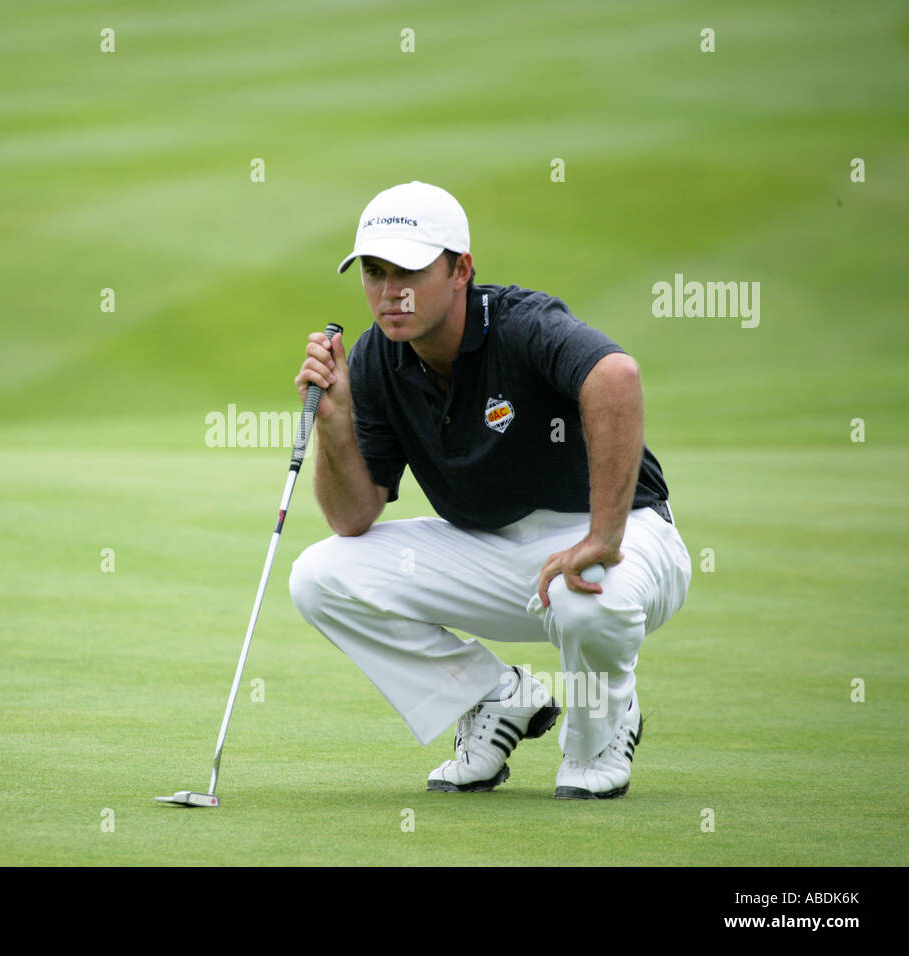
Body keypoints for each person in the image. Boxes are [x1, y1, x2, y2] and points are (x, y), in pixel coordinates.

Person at [288, 181, 691, 798]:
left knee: (586, 597)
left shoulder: (521, 325)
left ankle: (602, 732)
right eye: (375, 272)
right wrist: (335, 425)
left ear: (460, 270)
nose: (390, 291)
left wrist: (602, 536)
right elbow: (352, 517)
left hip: (628, 539)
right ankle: (494, 699)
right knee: (319, 575)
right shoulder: (374, 360)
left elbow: (616, 375)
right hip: (494, 552)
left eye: (411, 271)